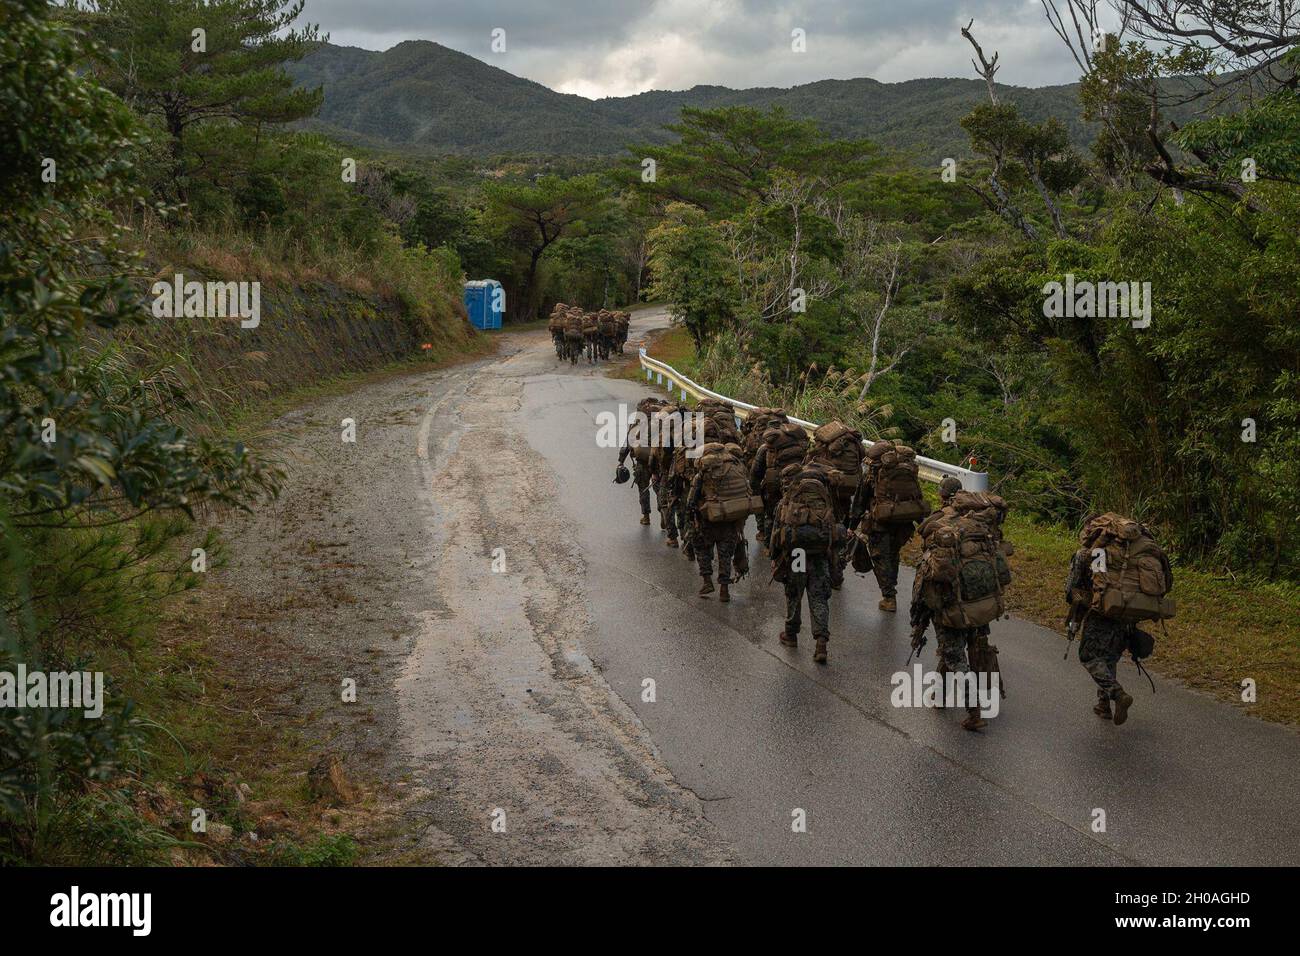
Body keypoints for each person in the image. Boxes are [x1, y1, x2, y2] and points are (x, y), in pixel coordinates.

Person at [909, 478, 1009, 732]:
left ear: (943, 497)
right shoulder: (980, 528)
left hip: (952, 605)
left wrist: (919, 613)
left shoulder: (940, 528)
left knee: (954, 654)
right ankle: (941, 695)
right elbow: (1002, 571)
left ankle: (973, 710)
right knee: (957, 649)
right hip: (981, 601)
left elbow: (926, 577)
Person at [1064, 513, 1174, 726]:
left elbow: (1074, 589)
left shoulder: (1090, 553)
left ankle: (1117, 694)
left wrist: (1075, 618)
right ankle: (1103, 705)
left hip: (1102, 613)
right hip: (1128, 611)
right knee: (1110, 657)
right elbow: (1167, 582)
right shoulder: (1134, 552)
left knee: (1089, 656)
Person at [770, 463, 841, 664]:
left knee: (794, 593)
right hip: (819, 554)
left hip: (797, 554)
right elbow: (835, 531)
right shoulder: (826, 502)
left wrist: (775, 558)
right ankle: (821, 643)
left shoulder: (787, 501)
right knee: (819, 597)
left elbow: (776, 533)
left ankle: (791, 635)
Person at [850, 439, 928, 612]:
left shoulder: (873, 475)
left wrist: (852, 525)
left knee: (880, 558)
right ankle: (891, 588)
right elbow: (916, 496)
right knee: (893, 555)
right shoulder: (907, 471)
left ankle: (889, 596)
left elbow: (859, 502)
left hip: (881, 523)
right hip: (904, 522)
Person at [685, 442, 757, 601]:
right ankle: (724, 589)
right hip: (731, 520)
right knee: (725, 555)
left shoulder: (703, 473)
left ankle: (707, 581)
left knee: (702, 548)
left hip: (708, 520)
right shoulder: (738, 468)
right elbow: (747, 491)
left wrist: (692, 516)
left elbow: (691, 500)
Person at [804, 420, 865, 589]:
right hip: (845, 494)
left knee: (821, 530)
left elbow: (807, 468)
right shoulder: (854, 445)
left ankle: (815, 570)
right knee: (839, 534)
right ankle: (836, 577)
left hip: (825, 496)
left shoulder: (821, 448)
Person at [617, 397, 668, 525]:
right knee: (659, 489)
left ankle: (646, 517)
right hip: (658, 462)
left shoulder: (637, 422)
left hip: (642, 462)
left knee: (643, 489)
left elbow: (628, 443)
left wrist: (621, 461)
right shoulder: (662, 422)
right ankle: (663, 516)